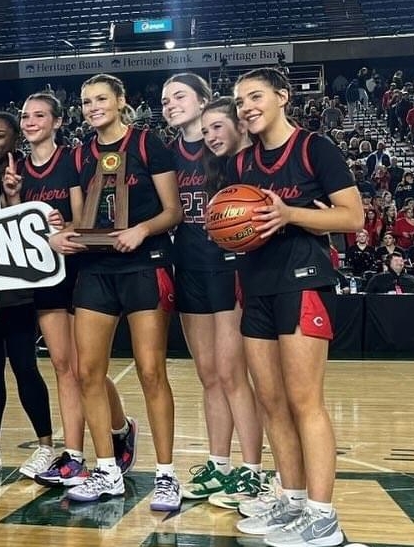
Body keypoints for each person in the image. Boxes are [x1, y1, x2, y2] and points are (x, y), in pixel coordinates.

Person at [228, 68, 362, 546]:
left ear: (282, 97)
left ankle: (323, 517)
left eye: (255, 96)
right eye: (240, 100)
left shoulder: (314, 148)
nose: (246, 107)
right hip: (256, 284)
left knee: (306, 402)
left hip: (303, 281)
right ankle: (292, 498)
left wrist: (289, 214)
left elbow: (352, 216)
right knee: (271, 401)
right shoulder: (242, 164)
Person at [50, 73, 180, 509]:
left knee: (149, 371)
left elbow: (173, 211)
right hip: (96, 269)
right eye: (86, 102)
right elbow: (78, 220)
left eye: (101, 99)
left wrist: (141, 230)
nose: (92, 107)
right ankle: (107, 469)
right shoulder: (77, 155)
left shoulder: (148, 144)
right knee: (88, 371)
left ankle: (166, 474)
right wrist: (63, 235)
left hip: (145, 265)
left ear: (121, 100)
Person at [161, 76, 263, 505]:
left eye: (179, 96)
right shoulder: (167, 155)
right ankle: (219, 465)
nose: (170, 105)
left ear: (205, 102)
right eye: (164, 100)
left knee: (232, 374)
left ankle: (252, 471)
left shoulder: (227, 145)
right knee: (208, 376)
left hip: (228, 269)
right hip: (189, 268)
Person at [0, 110, 57, 478]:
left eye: (0, 135)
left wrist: (13, 196)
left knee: (25, 367)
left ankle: (46, 446)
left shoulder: (21, 172)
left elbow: (30, 229)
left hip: (15, 289)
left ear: (14, 141)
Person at [11, 92, 87, 487]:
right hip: (42, 279)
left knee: (83, 367)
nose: (30, 121)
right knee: (63, 365)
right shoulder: (16, 171)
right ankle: (73, 453)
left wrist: (65, 229)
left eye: (40, 115)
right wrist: (11, 196)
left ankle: (117, 429)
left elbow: (82, 220)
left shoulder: (72, 160)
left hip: (77, 272)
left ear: (57, 121)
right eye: (26, 115)